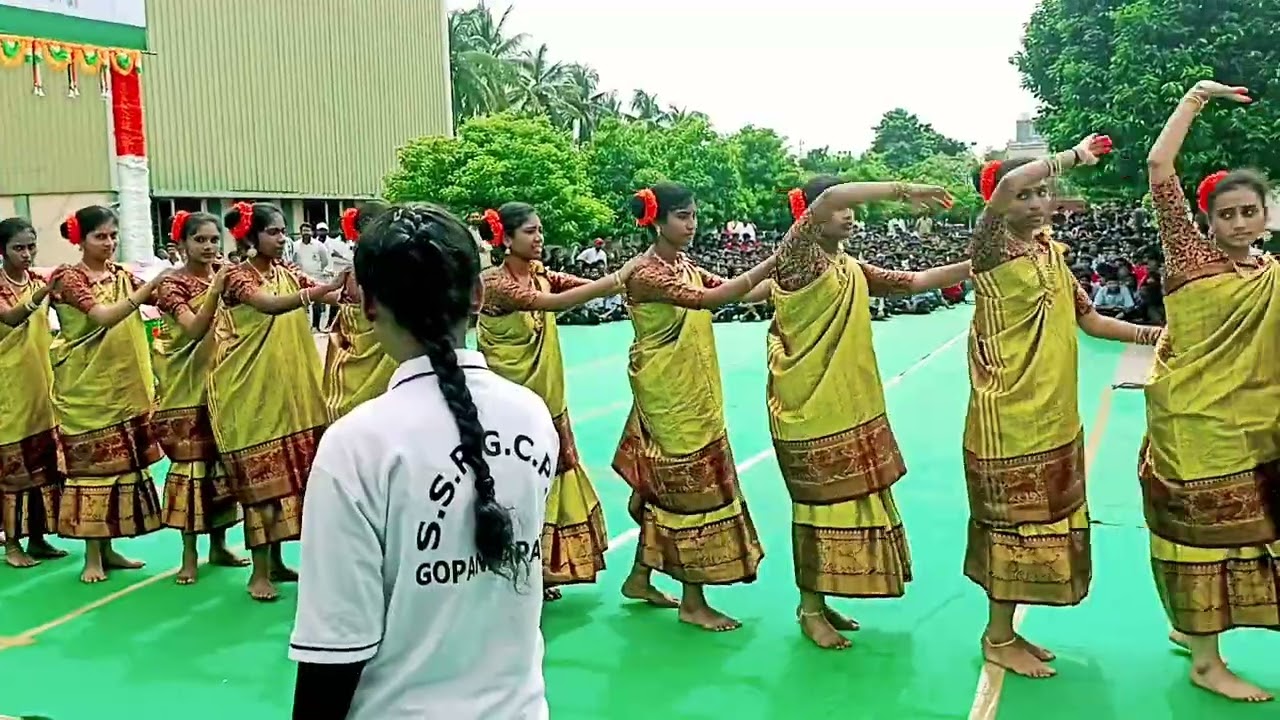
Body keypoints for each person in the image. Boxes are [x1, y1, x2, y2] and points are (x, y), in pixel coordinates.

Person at [290, 203, 555, 720]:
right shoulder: (533, 415)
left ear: (367, 304)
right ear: (477, 296)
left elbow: (334, 652)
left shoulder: (357, 444)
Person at [965, 138, 1162, 678]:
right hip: (1004, 417)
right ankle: (996, 635)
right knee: (1012, 525)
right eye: (1025, 194)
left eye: (1043, 193)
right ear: (1000, 203)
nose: (1035, 203)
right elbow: (1005, 185)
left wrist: (1158, 335)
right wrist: (1072, 156)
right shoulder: (991, 247)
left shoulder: (1051, 255)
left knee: (1042, 524)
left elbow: (1092, 321)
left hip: (1053, 412)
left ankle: (1009, 632)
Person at [769, 177, 969, 649]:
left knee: (845, 505)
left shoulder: (849, 265)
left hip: (850, 403)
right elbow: (833, 198)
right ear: (813, 215)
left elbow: (915, 282)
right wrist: (904, 190)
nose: (850, 214)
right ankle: (810, 608)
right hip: (809, 408)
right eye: (843, 207)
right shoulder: (797, 256)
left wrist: (981, 263)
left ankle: (819, 600)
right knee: (817, 509)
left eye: (853, 208)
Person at [1142, 79, 1277, 703]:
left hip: (1257, 424)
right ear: (1208, 220)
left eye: (1250, 211)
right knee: (1201, 541)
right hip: (1197, 426)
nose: (1240, 221)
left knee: (1256, 532)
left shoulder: (1269, 274)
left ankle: (1192, 630)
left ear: (1266, 215)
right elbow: (1159, 166)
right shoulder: (1191, 257)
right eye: (1228, 213)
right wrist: (1195, 97)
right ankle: (1205, 660)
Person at [612, 182, 774, 631]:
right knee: (687, 492)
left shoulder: (682, 264)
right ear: (656, 220)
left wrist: (784, 283)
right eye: (683, 216)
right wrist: (775, 259)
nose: (692, 225)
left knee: (662, 489)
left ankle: (640, 576)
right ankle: (692, 601)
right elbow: (708, 299)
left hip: (692, 393)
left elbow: (736, 292)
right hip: (670, 400)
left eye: (694, 216)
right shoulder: (647, 272)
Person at [474, 202, 642, 601]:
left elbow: (570, 287)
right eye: (530, 231)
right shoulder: (495, 283)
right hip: (506, 405)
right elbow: (550, 304)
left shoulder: (539, 274)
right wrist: (618, 277)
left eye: (540, 230)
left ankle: (540, 567)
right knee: (509, 485)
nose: (539, 238)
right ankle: (504, 565)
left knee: (549, 480)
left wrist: (620, 282)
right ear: (506, 238)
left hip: (547, 400)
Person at [207, 201, 344, 601]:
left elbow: (326, 296)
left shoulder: (285, 272)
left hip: (288, 388)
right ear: (250, 236)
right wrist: (324, 289)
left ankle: (280, 562)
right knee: (261, 480)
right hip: (248, 388)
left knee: (290, 478)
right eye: (274, 232)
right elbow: (269, 304)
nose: (282, 238)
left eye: (284, 231)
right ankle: (259, 573)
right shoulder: (235, 276)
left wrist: (353, 290)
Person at [48, 205, 170, 583]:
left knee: (121, 469)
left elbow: (158, 301)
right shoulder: (69, 278)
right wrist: (148, 289)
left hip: (124, 388)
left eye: (113, 235)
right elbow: (101, 315)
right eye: (100, 236)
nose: (109, 243)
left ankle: (111, 547)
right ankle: (92, 557)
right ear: (79, 239)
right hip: (87, 390)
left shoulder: (120, 275)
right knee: (92, 474)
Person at [152, 211, 247, 584]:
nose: (209, 247)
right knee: (192, 468)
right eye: (200, 240)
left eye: (213, 240)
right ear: (181, 244)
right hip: (186, 385)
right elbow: (192, 329)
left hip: (223, 382)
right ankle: (189, 555)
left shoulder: (225, 276)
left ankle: (220, 545)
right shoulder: (171, 285)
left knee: (220, 464)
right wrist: (218, 287)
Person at [0, 217, 65, 568]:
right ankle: (12, 544)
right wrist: (42, 293)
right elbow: (10, 318)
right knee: (13, 469)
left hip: (42, 382)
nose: (26, 254)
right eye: (18, 248)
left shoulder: (39, 280)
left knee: (42, 464)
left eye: (31, 246)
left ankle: (38, 537)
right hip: (8, 387)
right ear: (2, 250)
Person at [322, 203, 398, 421]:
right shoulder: (365, 265)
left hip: (380, 350)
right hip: (363, 348)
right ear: (366, 225)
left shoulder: (384, 260)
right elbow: (351, 303)